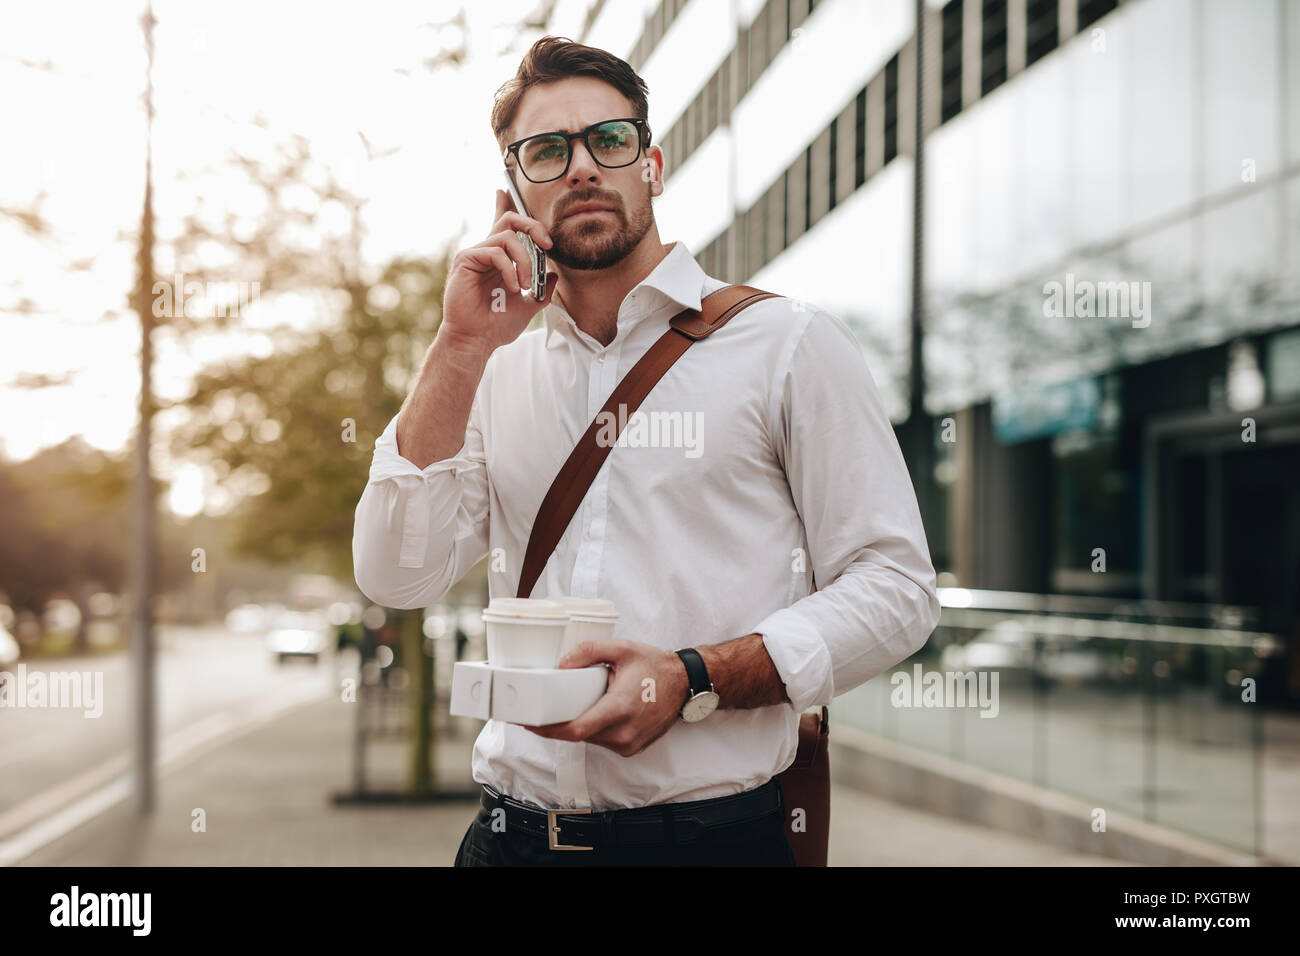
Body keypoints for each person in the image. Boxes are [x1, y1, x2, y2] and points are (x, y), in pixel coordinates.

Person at [352, 36, 940, 867]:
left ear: (652, 165)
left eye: (610, 140)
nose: (583, 167)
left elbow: (898, 588)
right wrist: (455, 344)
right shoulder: (489, 365)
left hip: (711, 846)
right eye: (547, 152)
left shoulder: (788, 344)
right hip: (509, 844)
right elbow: (393, 575)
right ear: (513, 192)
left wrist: (694, 677)